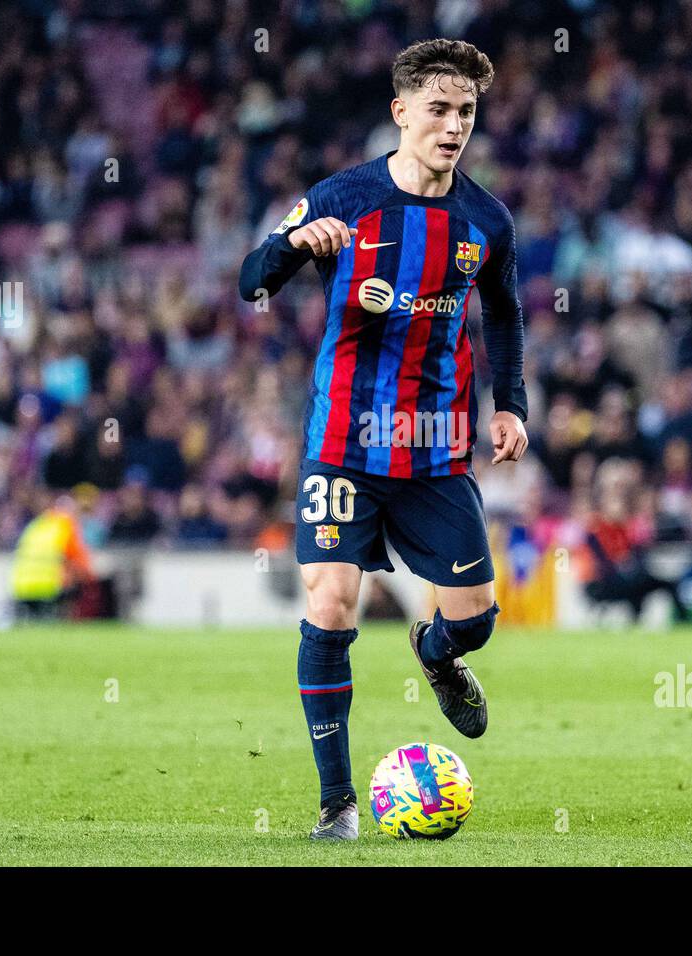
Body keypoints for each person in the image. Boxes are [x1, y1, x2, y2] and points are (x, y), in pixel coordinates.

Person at [238, 39, 528, 841]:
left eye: (466, 112)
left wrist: (511, 405)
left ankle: (437, 655)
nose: (454, 126)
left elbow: (504, 313)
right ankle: (336, 806)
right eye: (438, 109)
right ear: (400, 113)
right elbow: (251, 279)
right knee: (331, 607)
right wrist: (297, 245)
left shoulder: (486, 219)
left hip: (435, 450)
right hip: (343, 445)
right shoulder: (347, 195)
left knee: (475, 619)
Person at [9, 492, 96, 618]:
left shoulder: (37, 524)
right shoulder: (65, 526)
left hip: (22, 585)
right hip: (48, 585)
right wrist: (90, 579)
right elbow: (78, 559)